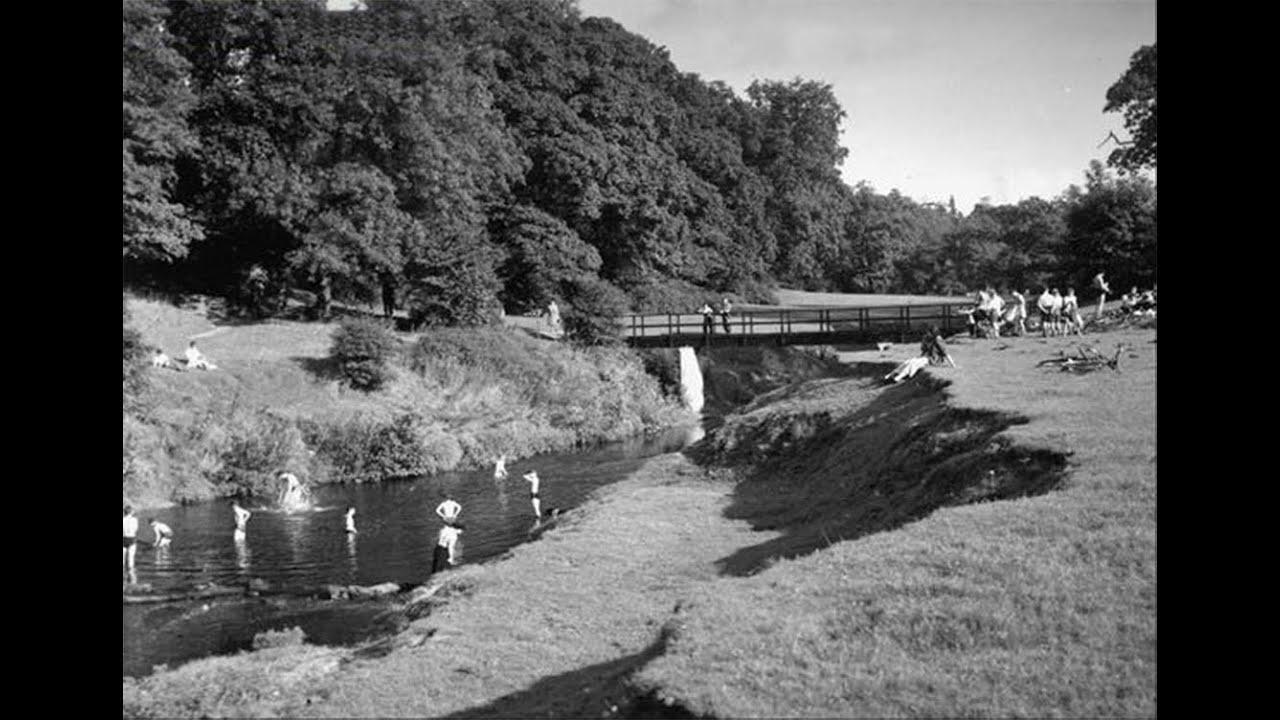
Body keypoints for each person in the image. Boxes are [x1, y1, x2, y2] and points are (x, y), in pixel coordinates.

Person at [123, 506, 140, 575]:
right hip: (131, 539)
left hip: (123, 538)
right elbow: (136, 529)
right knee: (131, 558)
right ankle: (132, 577)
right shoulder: (135, 519)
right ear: (131, 512)